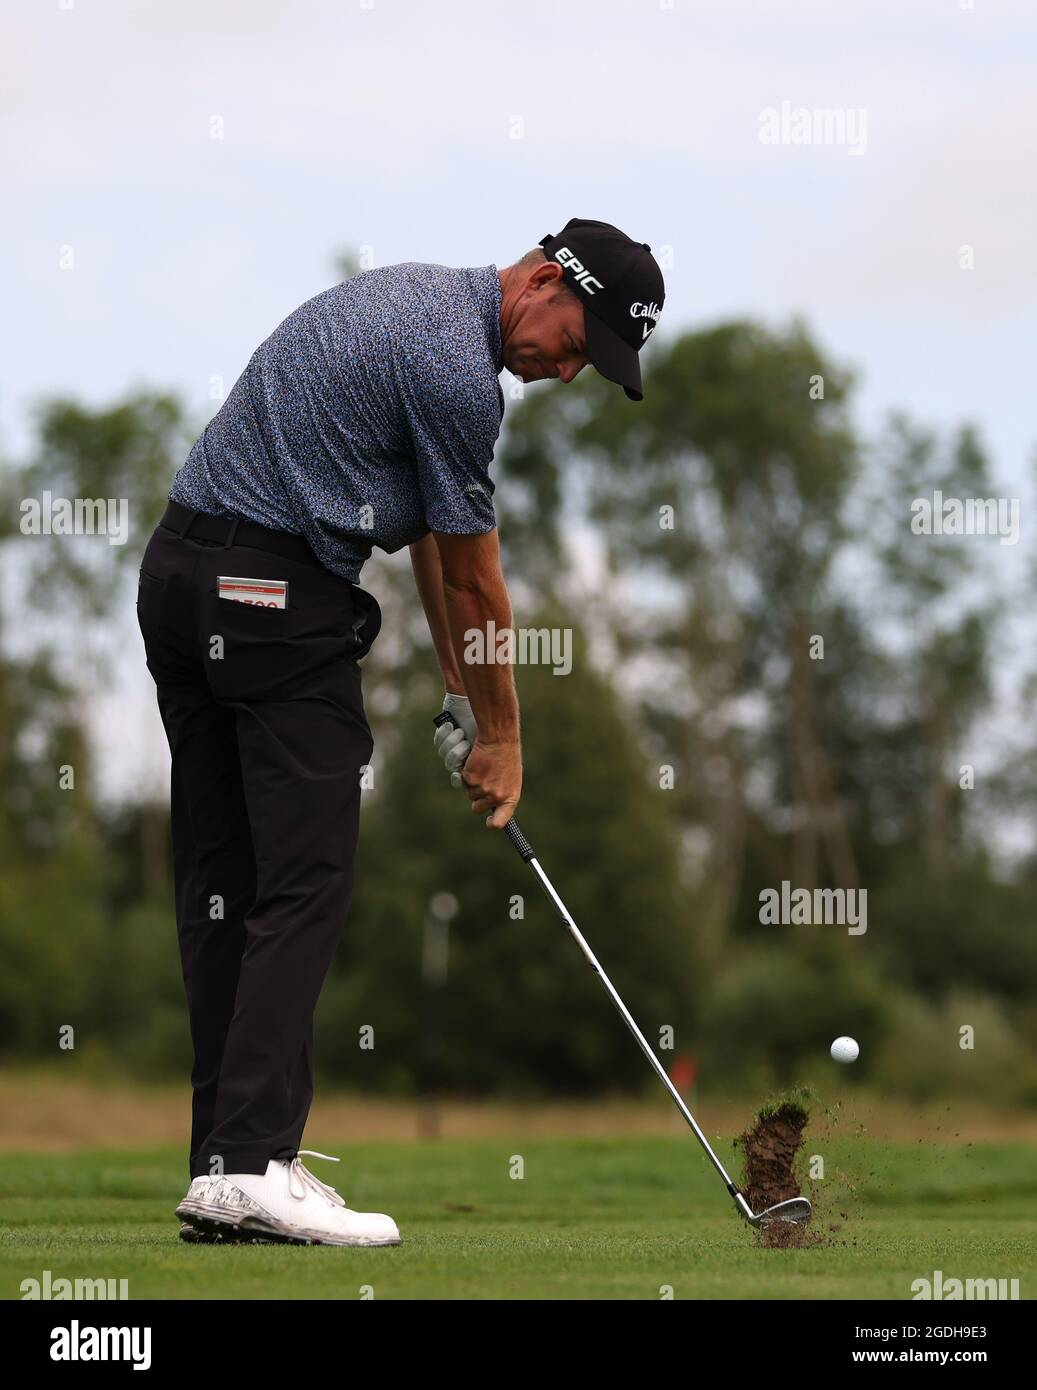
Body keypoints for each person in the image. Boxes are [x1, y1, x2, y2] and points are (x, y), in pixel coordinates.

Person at [136, 218, 665, 1247]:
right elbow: (475, 576)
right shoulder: (458, 374)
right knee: (305, 879)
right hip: (269, 596)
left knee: (222, 881)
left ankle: (225, 1166)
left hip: (180, 577)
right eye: (576, 345)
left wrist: (460, 691)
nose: (566, 374)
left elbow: (430, 538)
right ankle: (251, 1160)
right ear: (545, 281)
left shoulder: (415, 304)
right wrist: (505, 738)